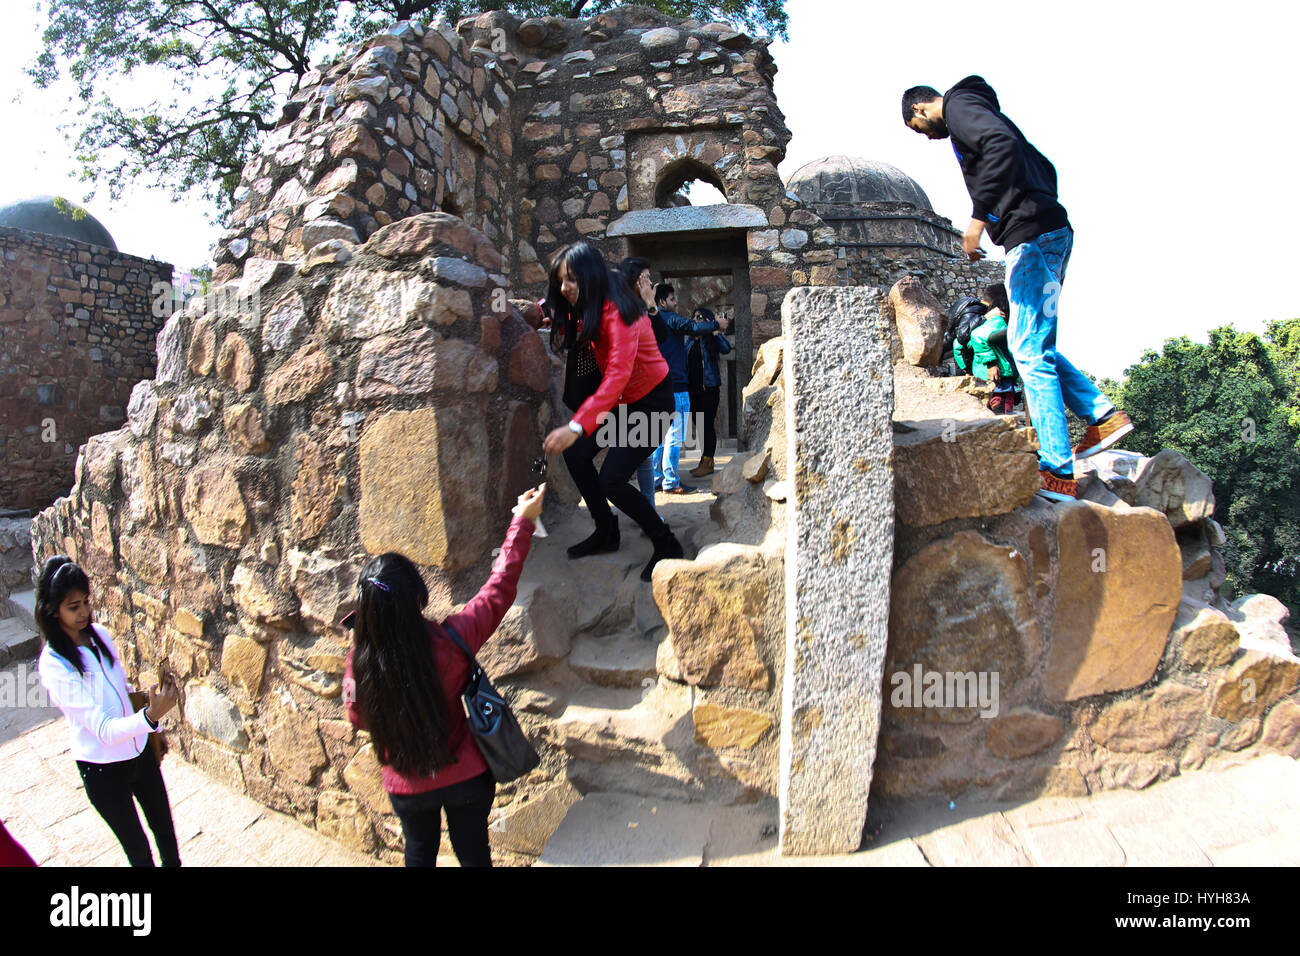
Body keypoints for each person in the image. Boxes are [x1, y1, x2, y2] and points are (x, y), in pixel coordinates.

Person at [903, 77, 1133, 500]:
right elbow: (1042, 165)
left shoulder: (957, 107)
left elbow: (1001, 145)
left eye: (919, 130)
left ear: (919, 109)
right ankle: (1102, 414)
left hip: (1031, 240)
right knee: (1030, 341)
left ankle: (1057, 471)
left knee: (1027, 351)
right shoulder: (977, 107)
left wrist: (979, 218)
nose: (928, 138)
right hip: (1049, 232)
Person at [342, 485, 544, 867]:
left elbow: (357, 717)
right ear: (416, 599)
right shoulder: (452, 640)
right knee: (473, 854)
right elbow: (498, 588)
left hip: (406, 782)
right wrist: (523, 520)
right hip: (466, 775)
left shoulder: (359, 663)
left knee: (418, 852)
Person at [541, 241, 685, 581]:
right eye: (561, 280)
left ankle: (666, 542)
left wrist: (576, 426)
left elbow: (618, 374)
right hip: (623, 403)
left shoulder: (621, 313)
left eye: (571, 279)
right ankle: (606, 529)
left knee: (613, 480)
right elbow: (555, 307)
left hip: (652, 403)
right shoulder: (590, 300)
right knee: (577, 455)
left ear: (590, 276)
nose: (565, 288)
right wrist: (537, 310)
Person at [35, 556, 181, 867]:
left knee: (167, 835)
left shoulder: (99, 634)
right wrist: (149, 718)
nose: (84, 612)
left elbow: (121, 694)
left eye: (86, 602)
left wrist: (151, 730)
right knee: (140, 853)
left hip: (139, 753)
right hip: (102, 769)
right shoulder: (54, 664)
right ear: (52, 610)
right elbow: (102, 728)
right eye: (73, 607)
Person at [647, 282, 726, 494]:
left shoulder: (647, 320)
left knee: (658, 436)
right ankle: (671, 482)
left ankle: (656, 478)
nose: (675, 303)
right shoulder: (669, 318)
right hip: (676, 385)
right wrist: (717, 324)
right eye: (672, 299)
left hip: (656, 384)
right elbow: (692, 327)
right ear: (662, 301)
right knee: (673, 435)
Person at [686, 307, 732, 477]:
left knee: (707, 425)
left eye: (700, 317)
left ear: (708, 320)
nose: (696, 319)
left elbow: (726, 349)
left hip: (709, 389)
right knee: (700, 425)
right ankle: (704, 461)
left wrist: (716, 332)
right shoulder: (690, 341)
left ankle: (708, 462)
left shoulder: (710, 339)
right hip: (693, 390)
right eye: (694, 317)